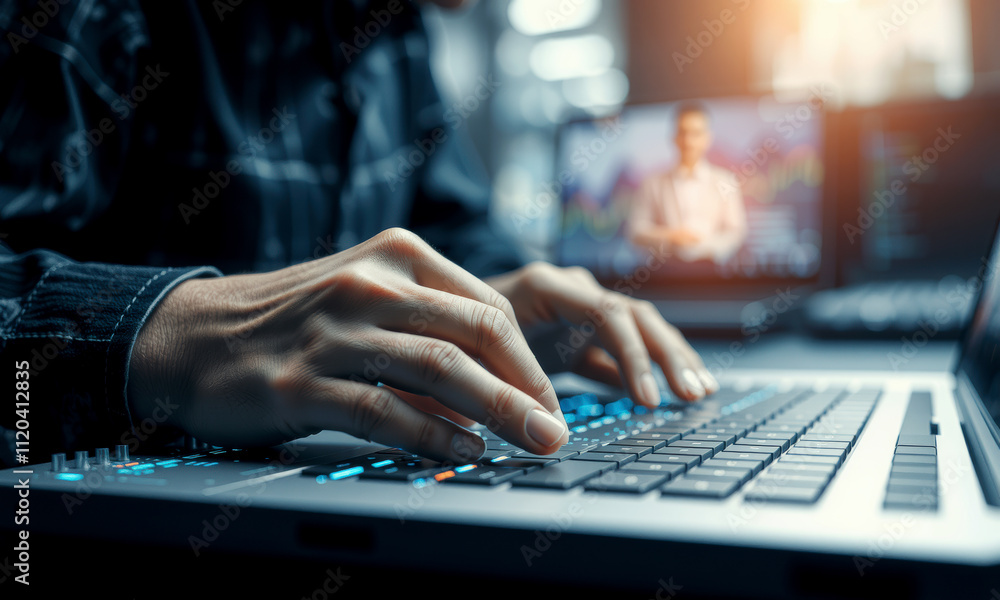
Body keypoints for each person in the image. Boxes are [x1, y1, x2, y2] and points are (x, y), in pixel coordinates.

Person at [0, 0, 717, 469]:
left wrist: (498, 303)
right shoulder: (97, 18)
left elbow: (457, 230)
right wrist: (162, 330)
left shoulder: (396, 34)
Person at [628, 102, 747, 264]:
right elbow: (636, 231)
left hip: (713, 273)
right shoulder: (652, 183)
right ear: (674, 137)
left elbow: (736, 233)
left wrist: (704, 246)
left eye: (696, 133)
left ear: (708, 138)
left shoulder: (725, 181)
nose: (689, 141)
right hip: (663, 273)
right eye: (683, 133)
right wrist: (670, 237)